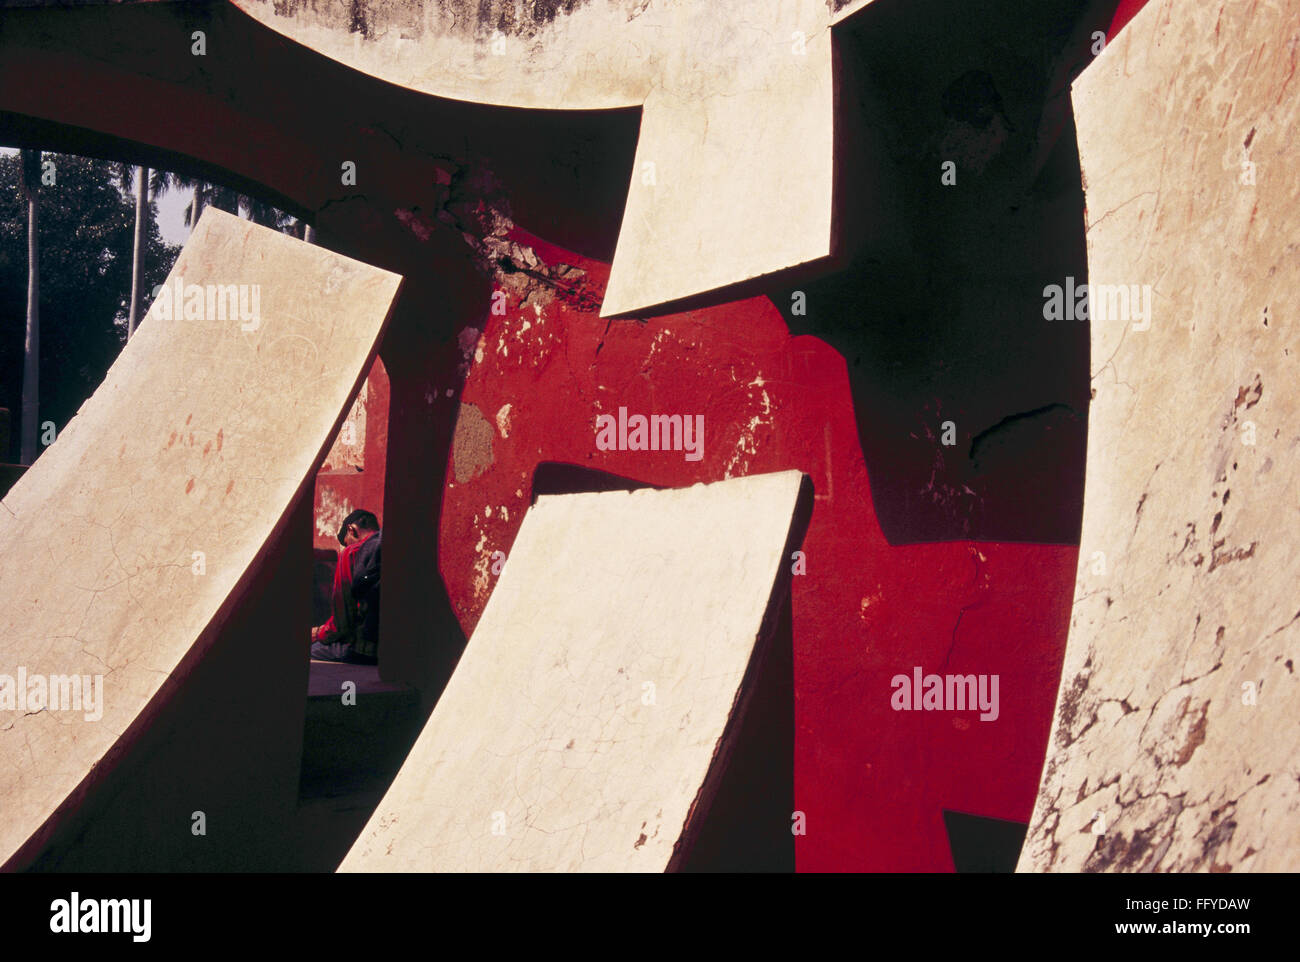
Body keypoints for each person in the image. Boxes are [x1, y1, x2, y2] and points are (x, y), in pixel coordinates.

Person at [311, 509, 382, 665]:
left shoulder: (351, 553)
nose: (346, 547)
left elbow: (342, 623)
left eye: (346, 541)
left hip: (363, 651)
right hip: (395, 651)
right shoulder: (391, 546)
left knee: (311, 651)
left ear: (352, 530)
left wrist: (318, 633)